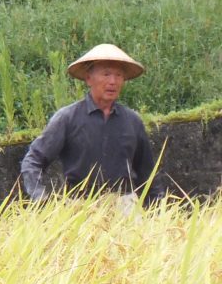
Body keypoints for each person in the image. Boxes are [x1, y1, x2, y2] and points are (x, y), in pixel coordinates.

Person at [20, 43, 161, 202]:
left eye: (119, 75)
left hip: (124, 206)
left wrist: (157, 212)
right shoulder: (67, 118)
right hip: (79, 207)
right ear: (88, 78)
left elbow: (148, 175)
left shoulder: (133, 121)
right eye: (106, 74)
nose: (113, 81)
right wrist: (40, 196)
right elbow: (33, 161)